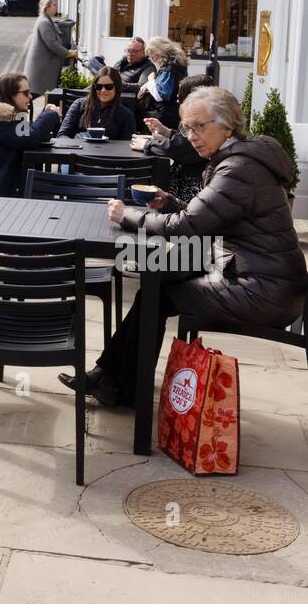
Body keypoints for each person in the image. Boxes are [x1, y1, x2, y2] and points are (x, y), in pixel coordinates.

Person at [59, 87, 307, 406]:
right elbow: (207, 217)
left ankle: (118, 383)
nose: (191, 135)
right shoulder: (241, 158)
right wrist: (171, 203)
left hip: (261, 290)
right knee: (156, 278)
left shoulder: (238, 169)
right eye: (187, 128)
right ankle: (113, 379)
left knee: (156, 291)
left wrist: (128, 214)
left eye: (199, 126)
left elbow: (186, 227)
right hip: (258, 275)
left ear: (228, 125)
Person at [141, 73, 215, 203]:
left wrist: (146, 144)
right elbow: (184, 142)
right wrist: (167, 132)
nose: (176, 99)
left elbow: (177, 148)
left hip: (192, 187)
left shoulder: (204, 122)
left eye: (180, 95)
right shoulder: (205, 119)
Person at [19, 0, 77, 100]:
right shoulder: (44, 22)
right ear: (47, 7)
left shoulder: (47, 20)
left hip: (44, 68)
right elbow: (52, 44)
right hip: (42, 70)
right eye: (54, 5)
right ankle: (17, 114)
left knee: (43, 97)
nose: (56, 8)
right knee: (35, 96)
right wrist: (69, 53)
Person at [58, 65, 135, 140]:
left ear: (117, 88)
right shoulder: (79, 105)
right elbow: (62, 135)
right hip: (79, 150)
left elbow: (127, 145)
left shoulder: (126, 115)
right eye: (99, 86)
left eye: (109, 87)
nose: (103, 90)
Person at [135, 36, 188, 130]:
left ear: (159, 51)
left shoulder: (168, 69)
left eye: (151, 54)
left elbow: (160, 95)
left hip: (165, 115)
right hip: (174, 112)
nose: (151, 58)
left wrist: (151, 80)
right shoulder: (177, 65)